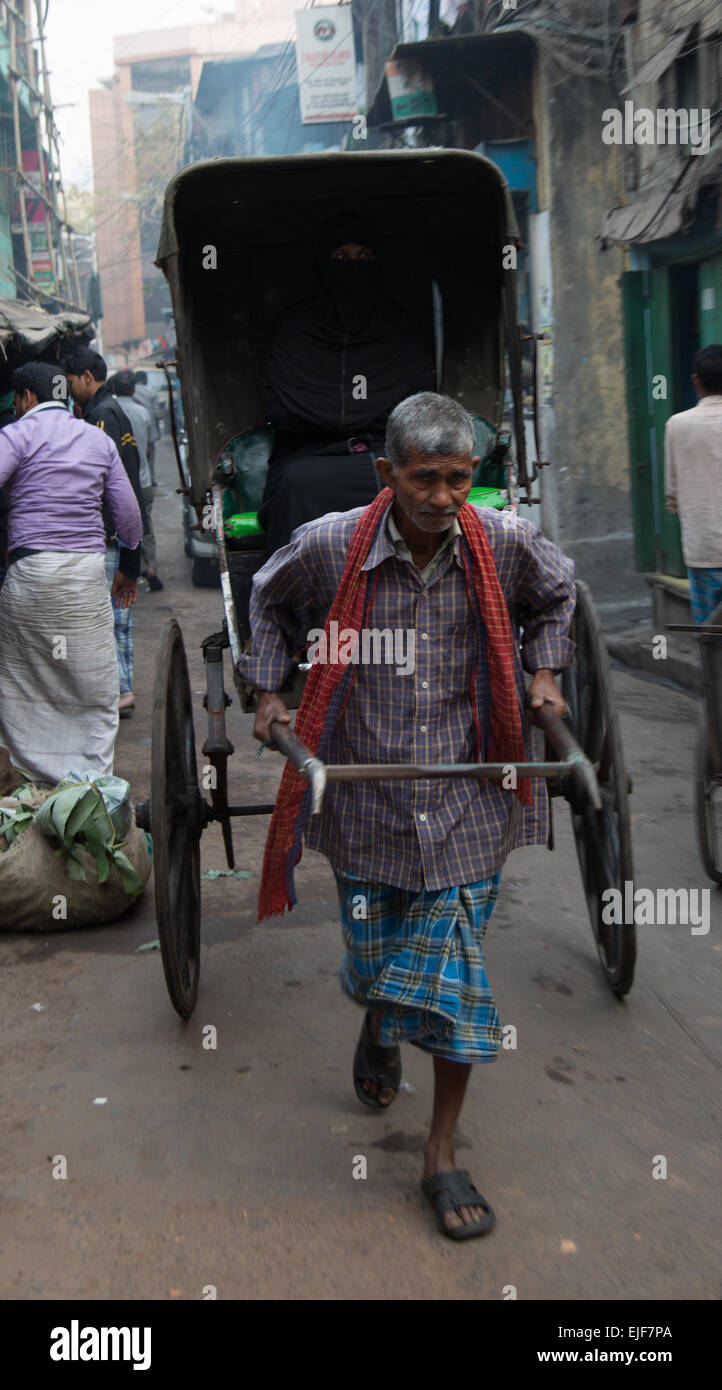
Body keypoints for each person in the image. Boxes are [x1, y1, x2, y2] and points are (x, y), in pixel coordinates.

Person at [240, 392, 575, 1241]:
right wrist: (268, 690)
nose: (442, 497)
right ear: (387, 474)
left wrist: (545, 675)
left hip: (467, 796)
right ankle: (381, 1024)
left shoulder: (499, 543)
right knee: (373, 960)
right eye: (424, 478)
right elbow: (270, 603)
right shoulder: (328, 548)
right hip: (361, 793)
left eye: (459, 479)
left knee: (457, 973)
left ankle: (441, 1150)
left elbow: (559, 594)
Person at [258, 208, 436, 554]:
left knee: (417, 484)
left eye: (364, 256)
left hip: (389, 453)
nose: (353, 267)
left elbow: (419, 408)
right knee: (298, 485)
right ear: (324, 265)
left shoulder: (401, 332)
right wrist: (348, 424)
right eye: (341, 257)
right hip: (308, 455)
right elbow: (281, 408)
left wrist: (349, 422)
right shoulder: (293, 331)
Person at [0, 361, 143, 785]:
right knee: (93, 684)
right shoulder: (96, 440)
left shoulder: (17, 434)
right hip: (84, 575)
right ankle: (89, 787)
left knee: (25, 682)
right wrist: (130, 570)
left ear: (26, 398)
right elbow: (129, 517)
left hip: (29, 573)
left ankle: (33, 784)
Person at [64, 347, 147, 716]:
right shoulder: (112, 410)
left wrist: (130, 558)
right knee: (117, 619)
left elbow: (112, 486)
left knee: (110, 618)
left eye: (68, 382)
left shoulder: (101, 416)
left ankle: (120, 689)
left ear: (85, 376)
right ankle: (121, 688)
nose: (67, 390)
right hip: (118, 534)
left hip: (110, 535)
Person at [665, 343, 722, 624]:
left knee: (711, 638)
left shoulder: (677, 425)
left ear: (696, 381)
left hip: (704, 551)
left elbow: (672, 496)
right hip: (703, 551)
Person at [108, 369, 163, 591]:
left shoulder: (110, 412)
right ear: (133, 389)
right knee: (145, 523)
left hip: (119, 483)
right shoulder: (143, 413)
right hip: (143, 480)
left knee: (121, 525)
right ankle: (150, 568)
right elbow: (149, 448)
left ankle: (128, 568)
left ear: (113, 388)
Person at [134, 370, 161, 484]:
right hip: (149, 426)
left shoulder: (132, 390)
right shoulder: (152, 392)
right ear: (145, 379)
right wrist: (158, 430)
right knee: (151, 453)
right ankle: (151, 478)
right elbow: (156, 413)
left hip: (134, 425)